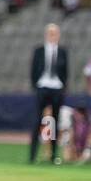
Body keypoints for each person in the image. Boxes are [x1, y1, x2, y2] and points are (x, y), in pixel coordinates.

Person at [29, 22, 67, 163]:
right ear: (46, 34)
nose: (52, 36)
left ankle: (52, 156)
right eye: (50, 33)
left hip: (57, 88)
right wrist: (36, 86)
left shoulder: (62, 51)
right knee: (37, 121)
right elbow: (33, 70)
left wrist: (62, 87)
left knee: (55, 122)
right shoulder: (39, 50)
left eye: (55, 33)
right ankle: (32, 155)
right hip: (42, 87)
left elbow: (65, 72)